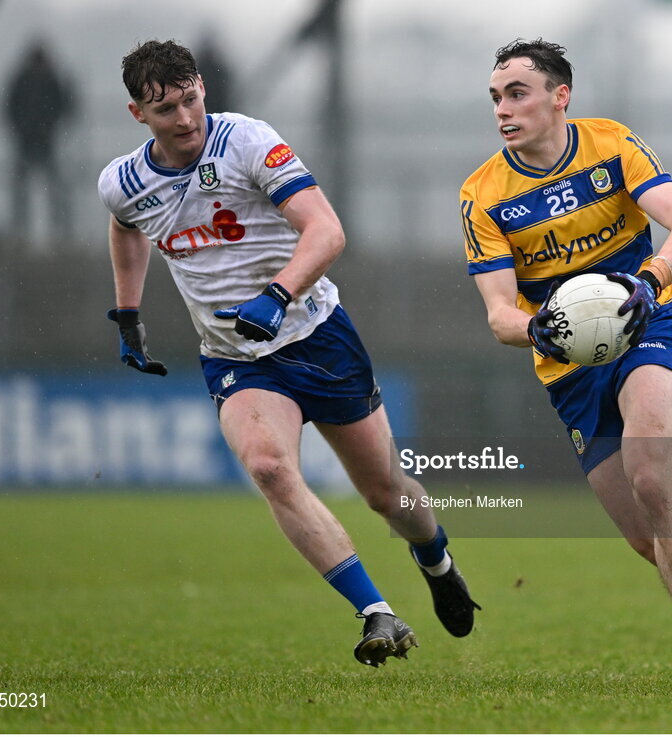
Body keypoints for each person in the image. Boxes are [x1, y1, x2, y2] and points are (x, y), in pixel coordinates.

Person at [98, 39, 479, 667]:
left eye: (191, 99)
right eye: (166, 109)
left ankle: (436, 560)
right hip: (235, 359)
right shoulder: (125, 183)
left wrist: (277, 295)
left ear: (202, 89)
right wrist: (129, 312)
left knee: (385, 494)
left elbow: (326, 229)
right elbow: (124, 226)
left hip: (317, 335)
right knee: (271, 469)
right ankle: (376, 612)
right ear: (138, 114)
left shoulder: (246, 141)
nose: (186, 119)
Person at [460, 39, 672, 692]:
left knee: (649, 474)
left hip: (648, 324)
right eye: (496, 96)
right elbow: (499, 313)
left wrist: (649, 278)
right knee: (648, 532)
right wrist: (538, 329)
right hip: (569, 370)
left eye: (518, 92)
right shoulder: (482, 195)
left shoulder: (611, 146)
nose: (503, 107)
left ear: (561, 96)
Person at [3, 41, 75, 246]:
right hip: (40, 140)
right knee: (49, 188)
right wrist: (47, 126)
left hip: (34, 140)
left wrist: (23, 128)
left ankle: (26, 231)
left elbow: (9, 107)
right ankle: (57, 231)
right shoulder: (48, 79)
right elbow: (64, 106)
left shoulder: (24, 80)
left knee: (31, 189)